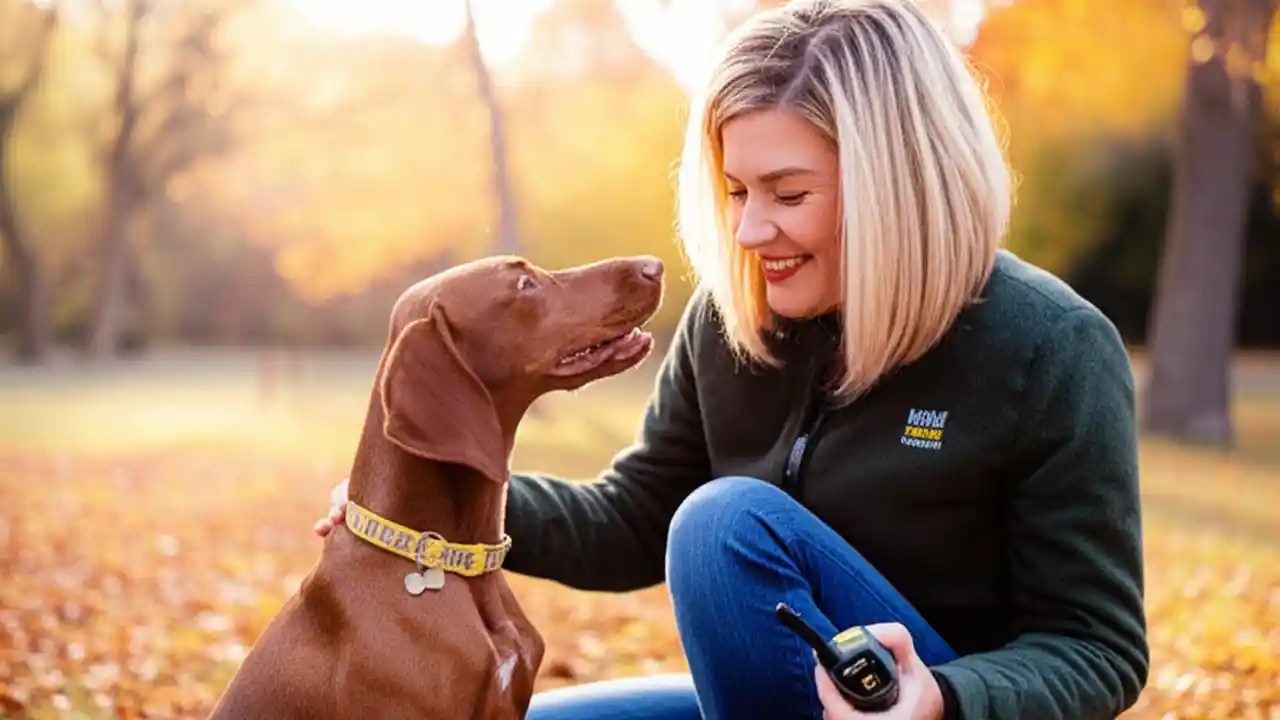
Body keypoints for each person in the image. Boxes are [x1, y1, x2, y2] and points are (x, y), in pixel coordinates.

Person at [315, 0, 1149, 717]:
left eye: (788, 195)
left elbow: (1095, 647)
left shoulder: (1051, 349)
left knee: (725, 523)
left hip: (936, 708)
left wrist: (943, 698)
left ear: (900, 184)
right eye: (736, 192)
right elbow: (635, 521)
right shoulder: (732, 321)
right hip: (786, 699)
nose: (749, 232)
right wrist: (432, 503)